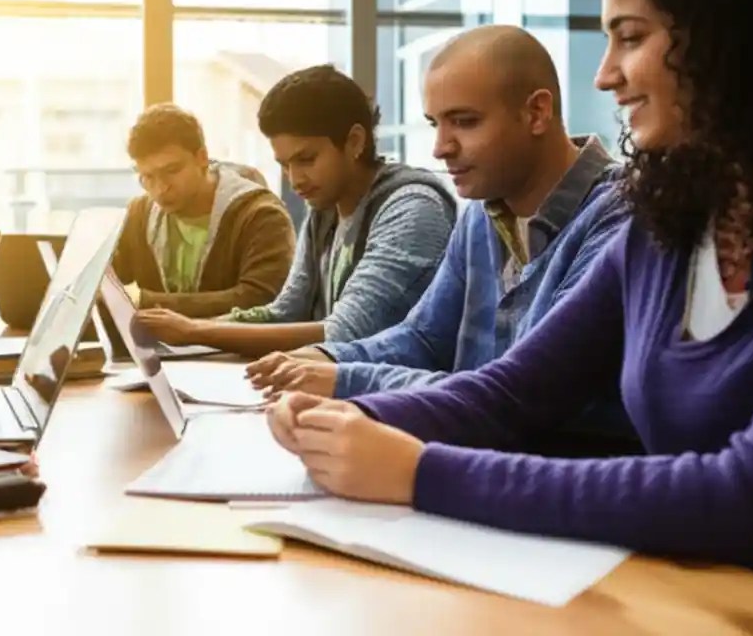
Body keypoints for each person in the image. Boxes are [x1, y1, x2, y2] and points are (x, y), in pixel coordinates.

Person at [267, 0, 753, 576]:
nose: (604, 76)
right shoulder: (661, 230)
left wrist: (419, 471)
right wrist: (344, 413)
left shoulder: (616, 219)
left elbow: (750, 493)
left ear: (728, 40)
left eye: (630, 37)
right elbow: (509, 393)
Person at [247, 27, 630, 448]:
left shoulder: (619, 216)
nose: (440, 148)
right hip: (465, 459)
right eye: (435, 124)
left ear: (537, 113)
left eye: (464, 122)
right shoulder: (481, 215)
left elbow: (526, 394)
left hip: (546, 486)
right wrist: (326, 357)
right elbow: (425, 337)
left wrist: (345, 376)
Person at [136, 65, 456, 358]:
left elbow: (345, 332)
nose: (295, 180)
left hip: (400, 406)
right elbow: (285, 311)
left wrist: (196, 331)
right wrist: (180, 331)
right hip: (341, 390)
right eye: (285, 164)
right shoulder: (325, 210)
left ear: (355, 141)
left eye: (306, 159)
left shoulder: (412, 208)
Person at [111, 103, 295, 317]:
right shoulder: (139, 214)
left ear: (202, 157)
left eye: (172, 170)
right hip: (157, 349)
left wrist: (144, 301)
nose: (160, 188)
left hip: (238, 350)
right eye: (148, 177)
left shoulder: (261, 216)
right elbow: (110, 286)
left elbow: (258, 299)